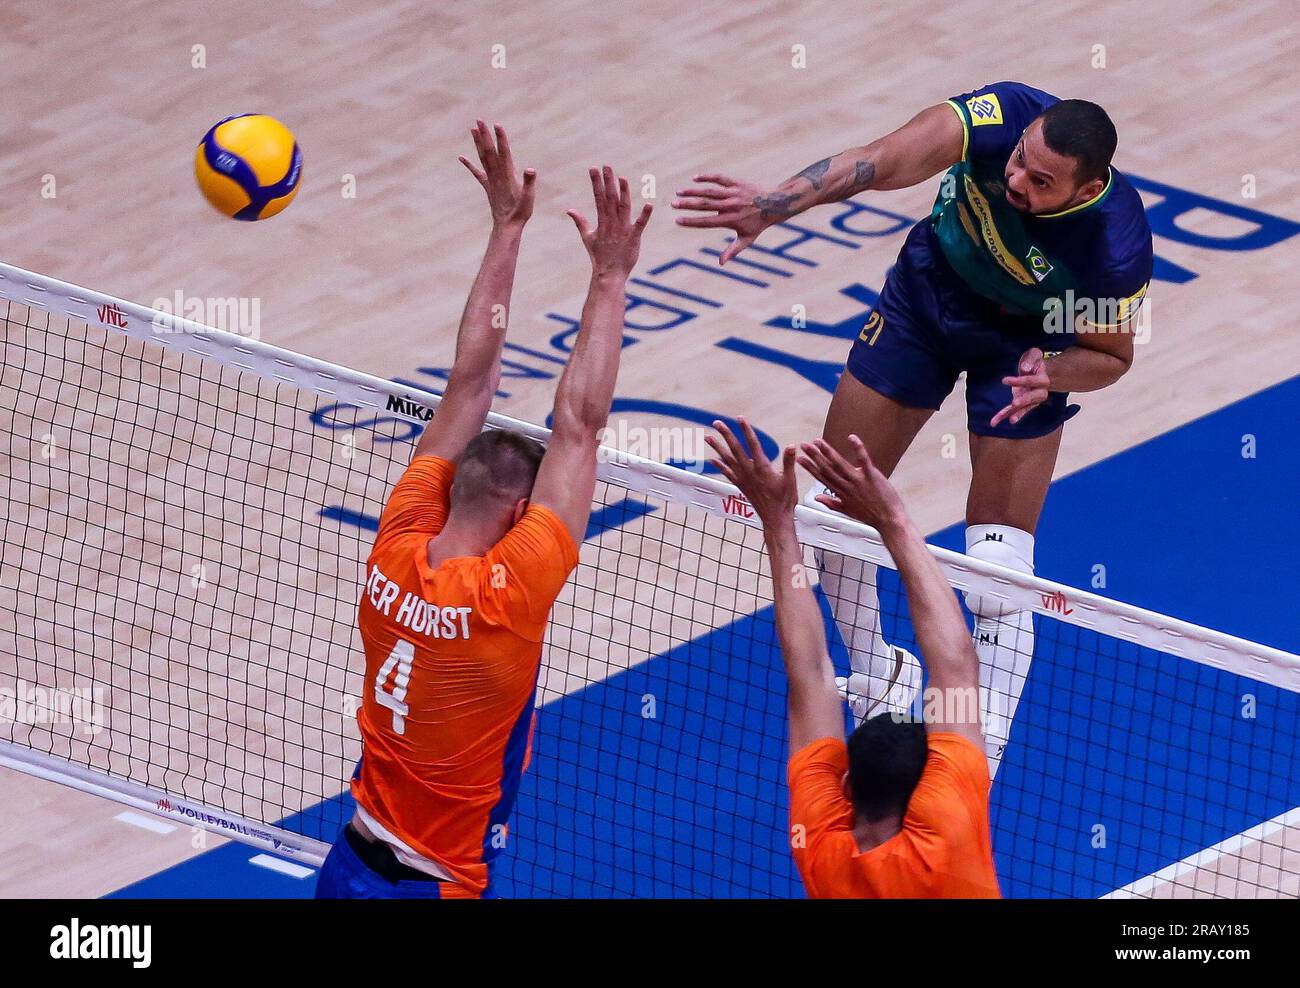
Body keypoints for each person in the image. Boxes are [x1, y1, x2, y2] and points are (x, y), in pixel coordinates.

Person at [676, 82, 1153, 774]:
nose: (1015, 178)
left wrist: (1052, 373)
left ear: (1084, 187)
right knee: (830, 514)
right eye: (1018, 161)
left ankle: (977, 752)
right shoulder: (1004, 116)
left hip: (1025, 348)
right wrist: (774, 204)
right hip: (927, 298)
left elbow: (1110, 358)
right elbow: (882, 160)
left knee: (995, 576)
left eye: (1040, 180)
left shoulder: (1113, 247)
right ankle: (880, 678)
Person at [315, 122, 652, 898]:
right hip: (434, 883)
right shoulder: (508, 592)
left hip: (347, 863)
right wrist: (609, 276)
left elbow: (467, 390)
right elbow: (581, 423)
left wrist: (506, 228)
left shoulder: (396, 542)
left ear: (451, 484)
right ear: (520, 510)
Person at [706, 419, 999, 898]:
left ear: (845, 787)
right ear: (923, 789)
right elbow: (955, 662)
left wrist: (778, 521)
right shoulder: (945, 826)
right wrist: (893, 520)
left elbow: (812, 675)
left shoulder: (823, 846)